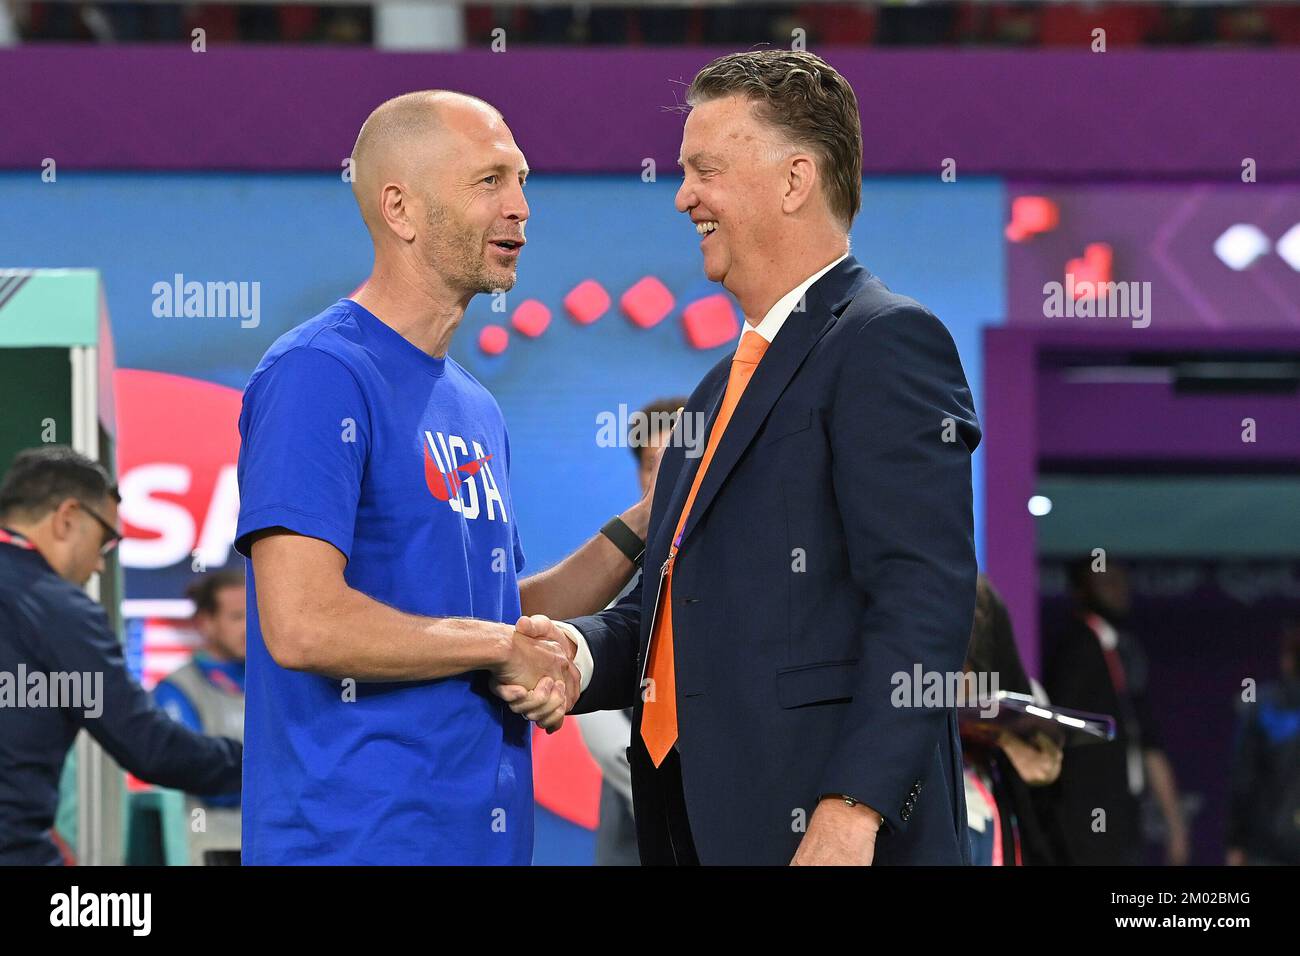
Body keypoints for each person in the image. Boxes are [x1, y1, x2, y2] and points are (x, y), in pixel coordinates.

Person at [498, 50, 981, 865]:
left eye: (705, 170)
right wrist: (580, 655)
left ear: (795, 181)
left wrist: (853, 806)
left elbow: (923, 597)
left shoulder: (885, 341)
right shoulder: (719, 388)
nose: (684, 196)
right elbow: (689, 617)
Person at [235, 90, 652, 865]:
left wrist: (647, 524)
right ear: (401, 208)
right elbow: (302, 623)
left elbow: (487, 614)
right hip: (352, 845)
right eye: (489, 180)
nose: (521, 207)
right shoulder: (318, 374)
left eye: (523, 180)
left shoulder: (474, 405)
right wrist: (502, 644)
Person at [0, 446, 242, 865]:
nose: (98, 565)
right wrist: (266, 761)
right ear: (68, 518)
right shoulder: (57, 609)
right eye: (105, 541)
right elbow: (150, 748)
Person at [577, 396, 686, 866]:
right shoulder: (608, 577)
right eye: (652, 463)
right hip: (636, 839)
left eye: (679, 457)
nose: (663, 475)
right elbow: (599, 726)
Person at [1041, 559, 1189, 865]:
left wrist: (1175, 825)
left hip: (1122, 815)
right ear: (1081, 591)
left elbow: (1146, 739)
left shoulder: (1122, 650)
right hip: (1088, 819)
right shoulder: (1077, 648)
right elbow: (1063, 736)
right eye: (1106, 581)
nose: (1118, 590)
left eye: (1121, 580)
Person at [960, 575, 1063, 866]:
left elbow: (1042, 756)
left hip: (980, 813)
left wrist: (1024, 744)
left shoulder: (979, 597)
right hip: (936, 813)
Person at [153, 570, 247, 863]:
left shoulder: (276, 683)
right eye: (237, 617)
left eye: (255, 615)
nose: (250, 627)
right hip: (211, 850)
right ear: (206, 623)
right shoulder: (175, 689)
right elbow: (199, 775)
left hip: (273, 846)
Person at [1226, 622, 1300, 865]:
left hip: (1269, 847)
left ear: (1287, 660)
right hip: (1271, 848)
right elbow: (1244, 780)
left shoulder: (1260, 706)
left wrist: (1236, 843)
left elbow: (1243, 781)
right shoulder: (1262, 708)